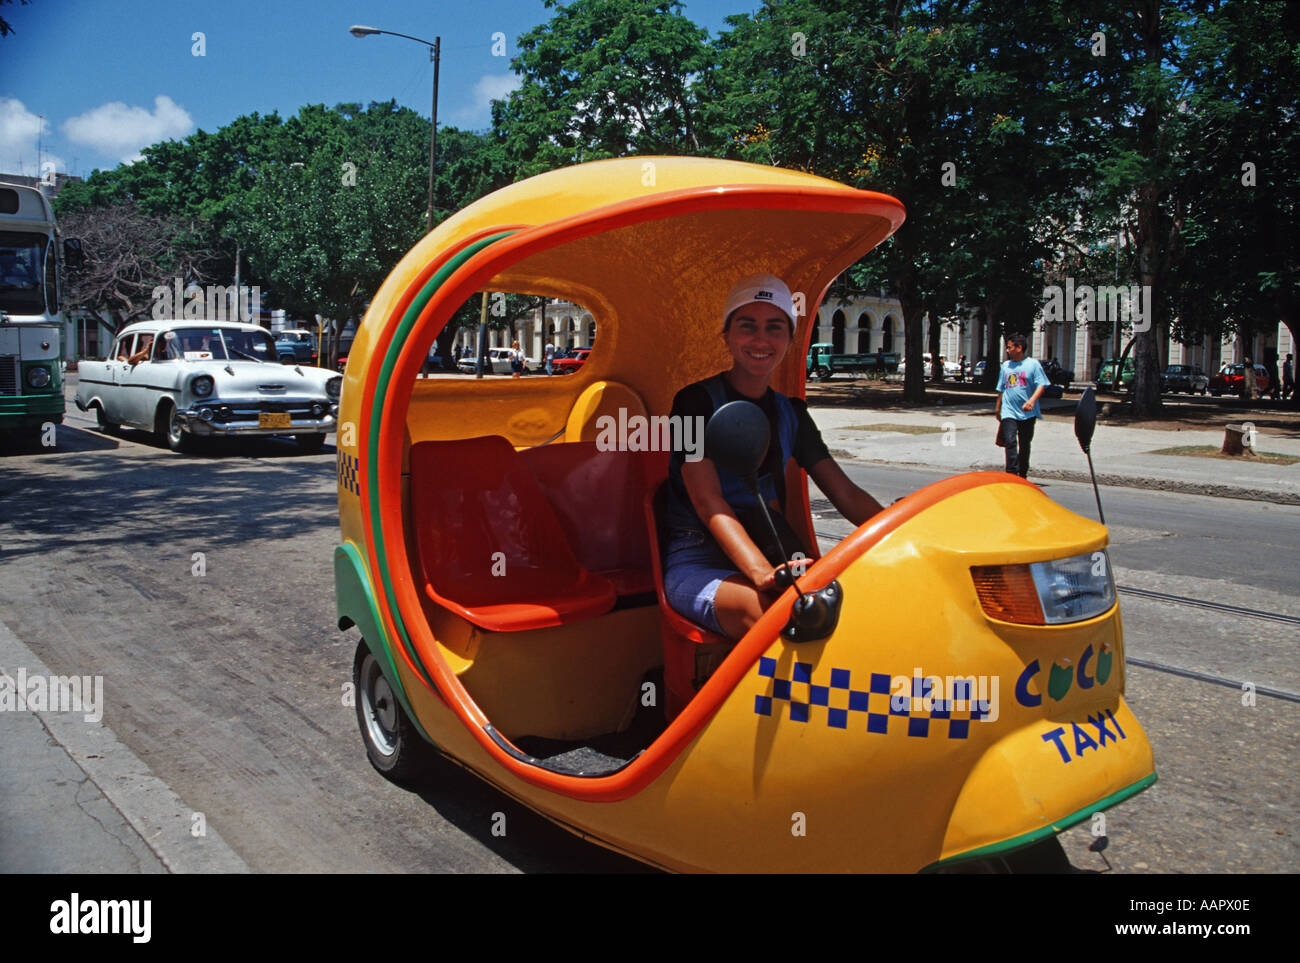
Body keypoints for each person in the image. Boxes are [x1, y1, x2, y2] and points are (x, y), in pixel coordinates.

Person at [663, 272, 886, 642]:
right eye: (747, 326)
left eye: (775, 327)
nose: (761, 340)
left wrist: (902, 534)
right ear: (728, 335)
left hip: (773, 547)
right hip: (699, 556)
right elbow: (708, 502)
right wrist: (760, 572)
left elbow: (845, 494)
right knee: (777, 620)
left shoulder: (792, 414)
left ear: (790, 338)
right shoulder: (690, 403)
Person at [995, 332, 1049, 478]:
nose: (1007, 350)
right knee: (1010, 441)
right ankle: (1011, 473)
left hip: (1027, 413)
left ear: (1019, 348)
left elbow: (1041, 384)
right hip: (1008, 411)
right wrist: (998, 408)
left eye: (1009, 347)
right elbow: (1001, 388)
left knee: (1024, 444)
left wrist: (1031, 401)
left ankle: (1022, 473)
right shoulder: (1006, 366)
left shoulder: (1033, 364)